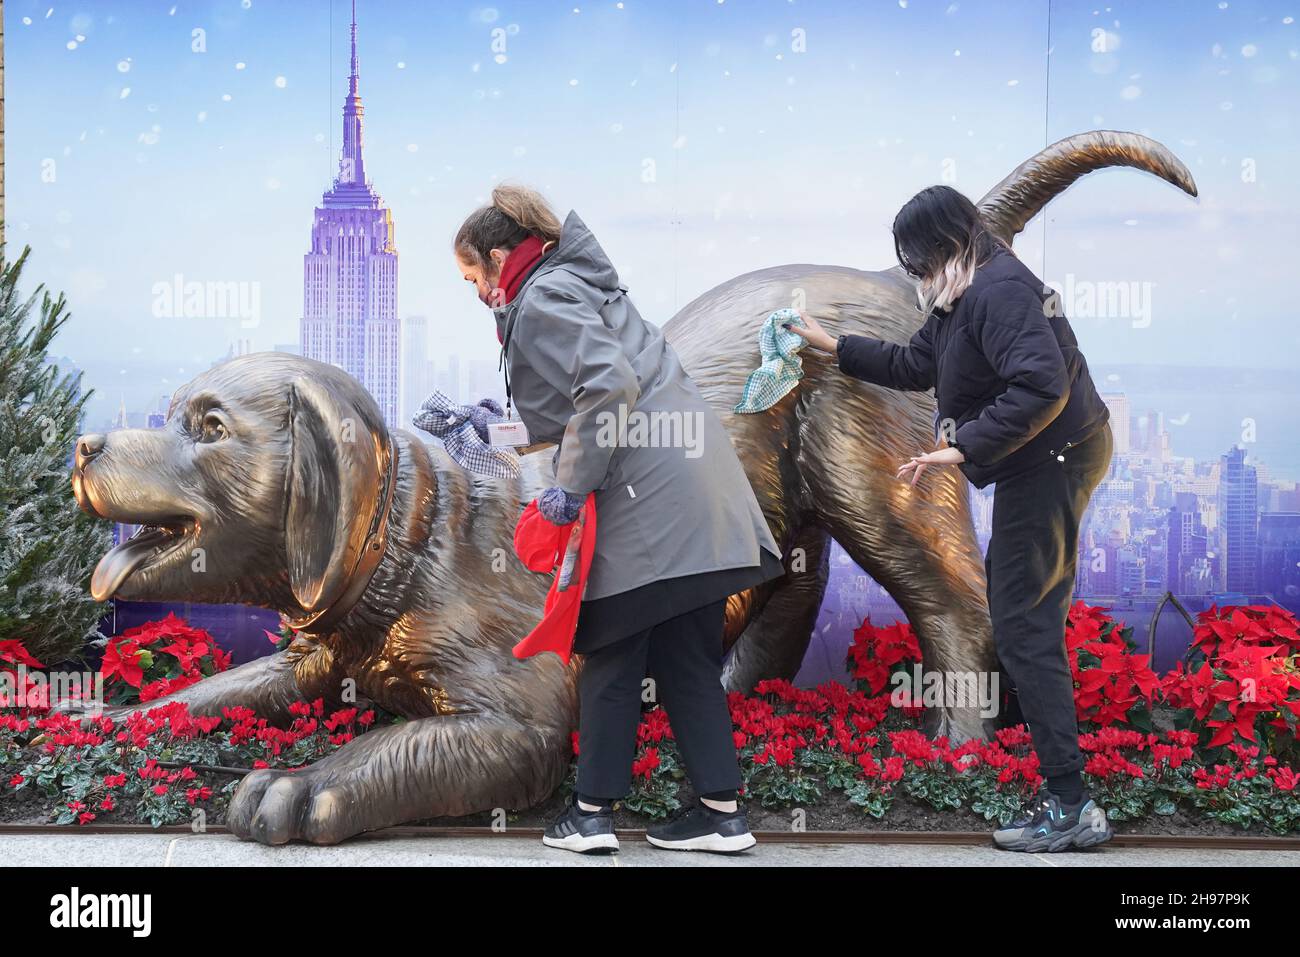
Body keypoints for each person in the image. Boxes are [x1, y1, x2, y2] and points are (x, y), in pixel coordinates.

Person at [452, 185, 785, 855]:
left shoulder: (543, 296)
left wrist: (569, 491)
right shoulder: (574, 282)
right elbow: (591, 397)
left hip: (648, 505)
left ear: (496, 258)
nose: (476, 292)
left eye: (471, 277)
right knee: (686, 657)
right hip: (693, 498)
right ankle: (722, 816)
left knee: (608, 649)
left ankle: (591, 816)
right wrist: (503, 430)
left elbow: (607, 389)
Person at [788, 184, 1115, 852]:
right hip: (1037, 458)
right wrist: (833, 344)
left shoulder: (1000, 292)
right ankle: (1063, 789)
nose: (914, 275)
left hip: (1054, 458)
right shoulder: (963, 293)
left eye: (916, 261)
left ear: (944, 246)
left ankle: (1072, 803)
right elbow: (916, 364)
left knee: (1023, 626)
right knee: (1023, 617)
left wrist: (962, 446)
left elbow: (1042, 384)